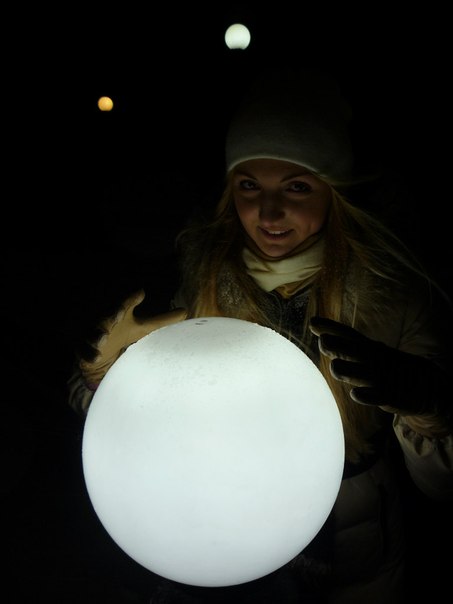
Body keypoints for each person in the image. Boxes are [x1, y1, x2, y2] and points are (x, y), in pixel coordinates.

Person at [68, 67, 453, 603]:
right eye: (249, 185)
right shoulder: (203, 285)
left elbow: (443, 484)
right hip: (223, 541)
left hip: (356, 556)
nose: (268, 212)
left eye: (297, 186)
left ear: (334, 193)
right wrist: (104, 380)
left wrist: (431, 408)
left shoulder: (393, 296)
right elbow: (139, 435)